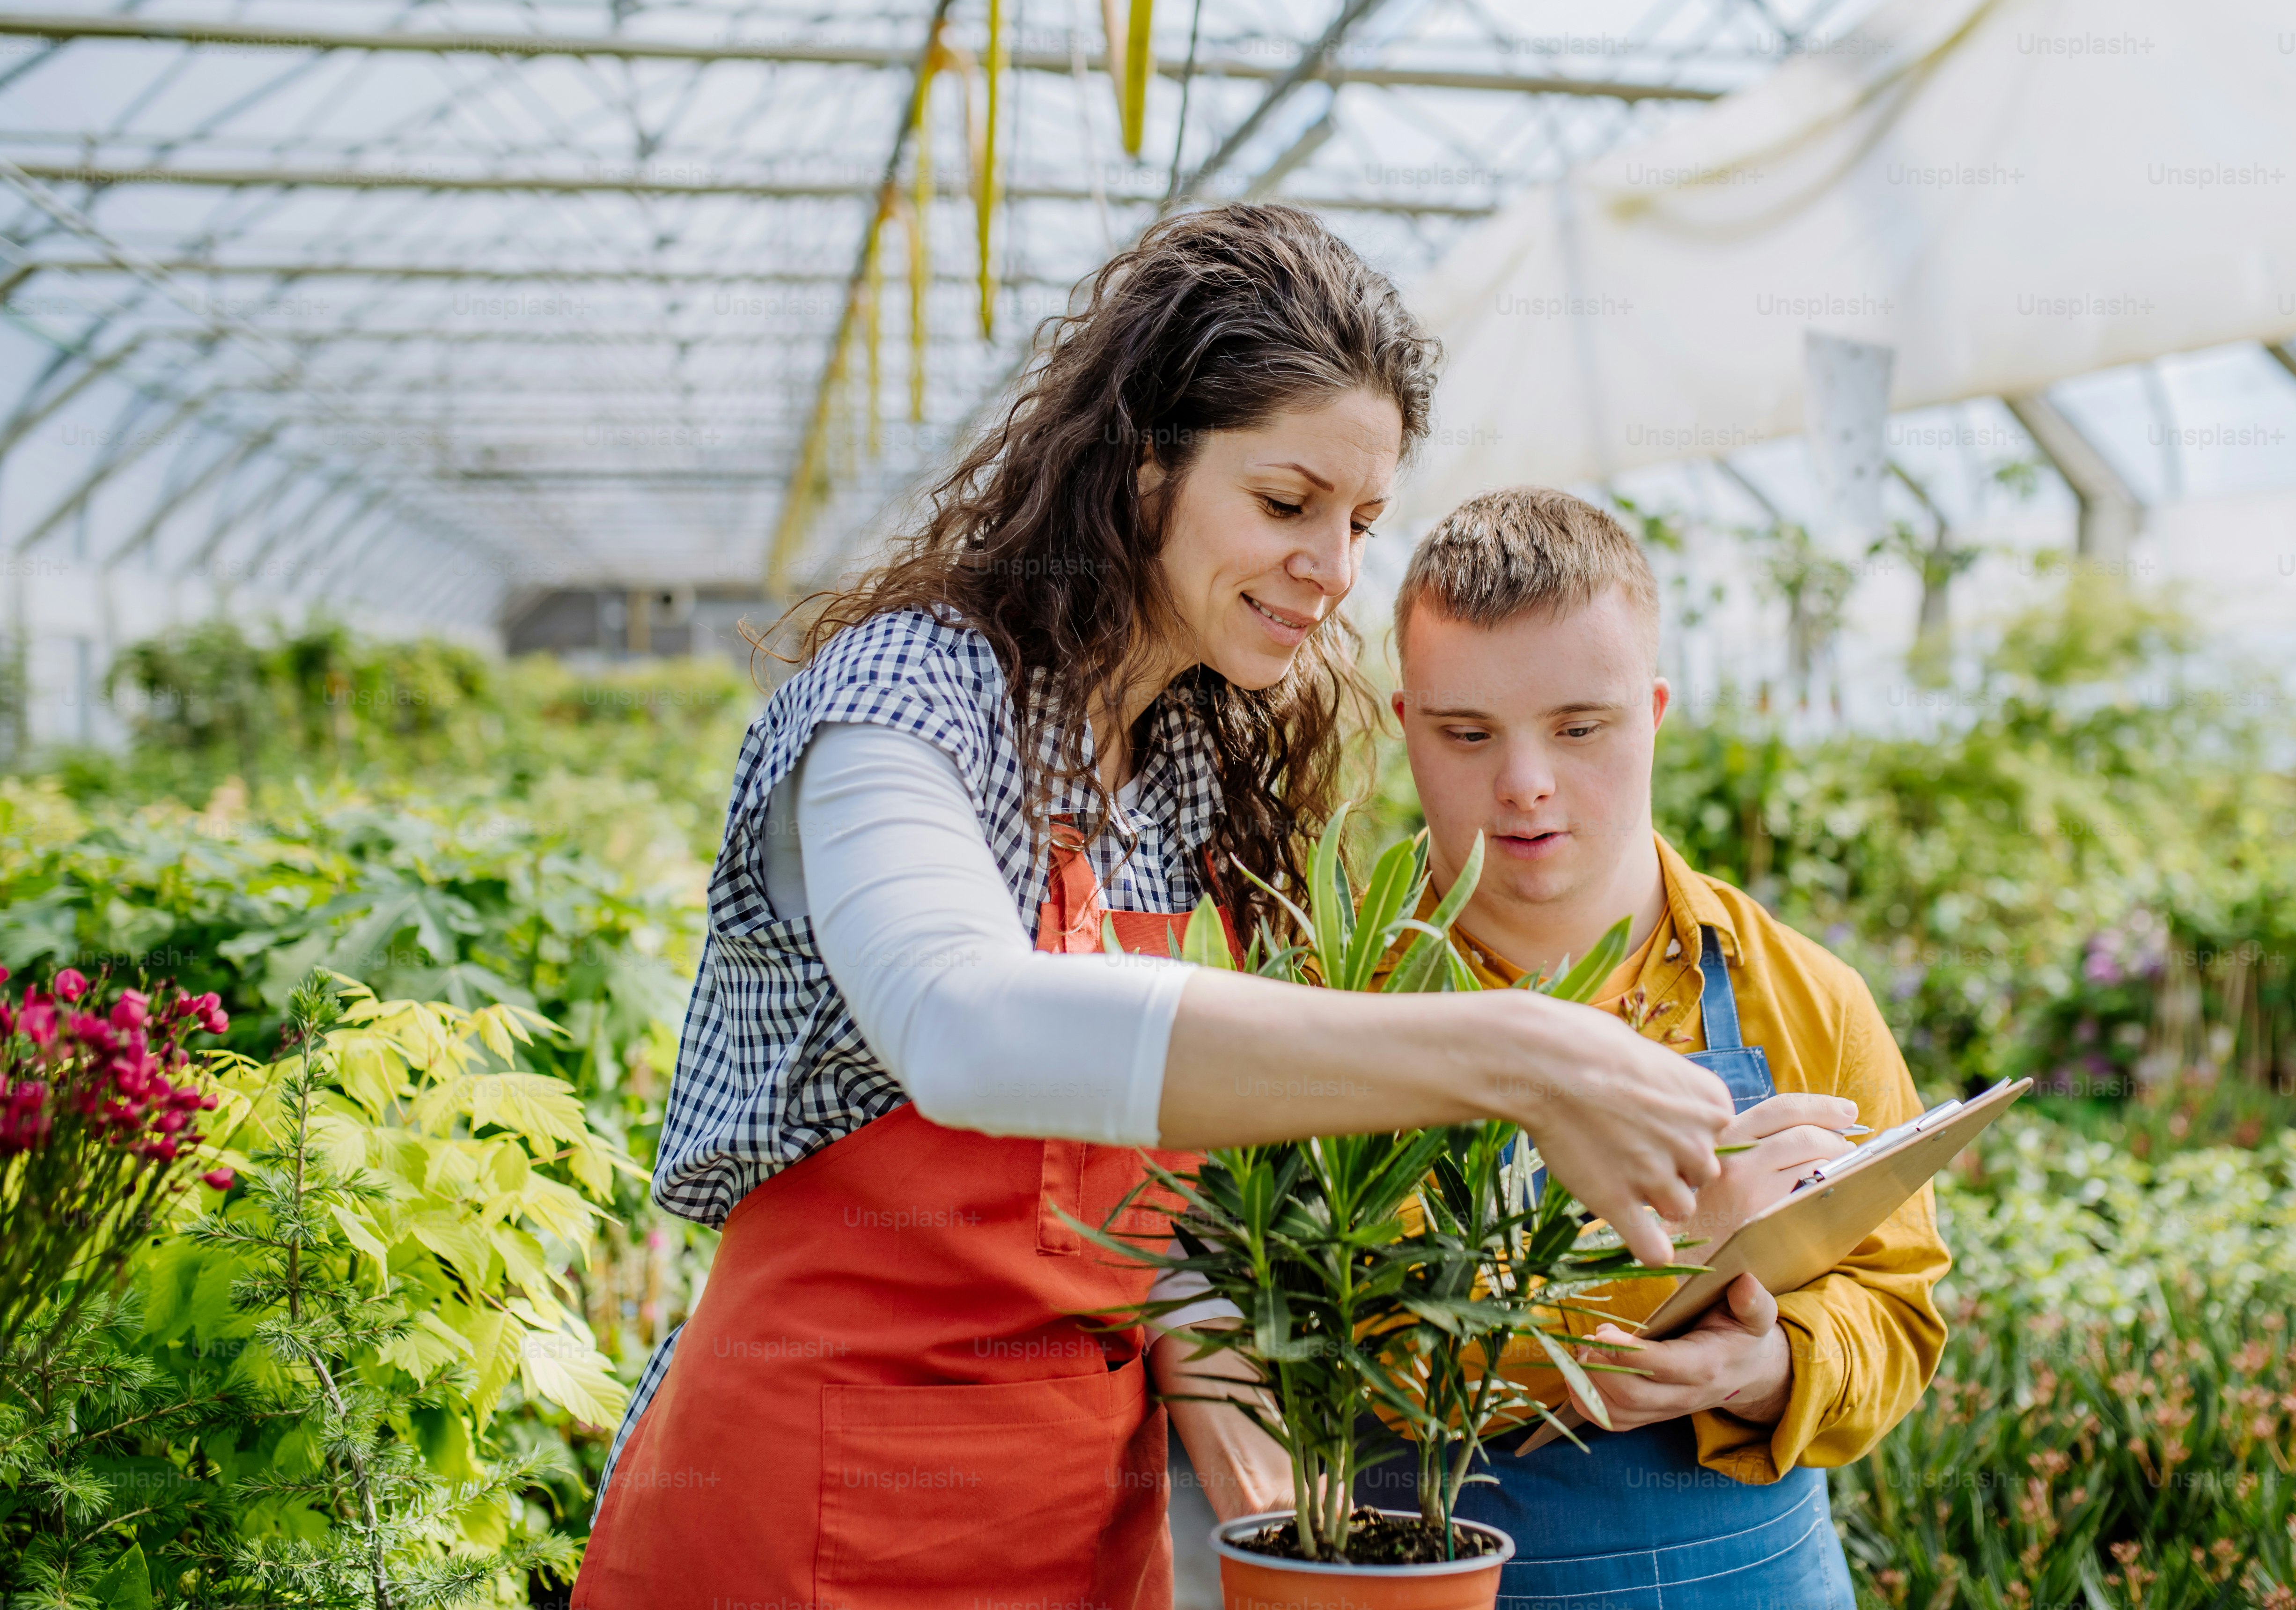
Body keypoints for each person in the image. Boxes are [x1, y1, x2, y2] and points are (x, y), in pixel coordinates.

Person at [568, 212, 1738, 1610]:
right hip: (827, 1499)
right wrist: (1516, 1055)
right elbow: (966, 1028)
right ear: (1140, 472)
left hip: (1082, 1518)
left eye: (1361, 522)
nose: (1334, 568)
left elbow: (1141, 1207)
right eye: (1288, 503)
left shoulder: (1190, 762)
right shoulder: (905, 700)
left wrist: (1262, 1493)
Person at [1322, 487, 1946, 1605]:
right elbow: (1350, 1329)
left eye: (1579, 727)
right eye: (1468, 734)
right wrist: (1673, 1244)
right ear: (1405, 722)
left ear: (1654, 709)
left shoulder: (1806, 996)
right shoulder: (1330, 1001)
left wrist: (1775, 1366)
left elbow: (1899, 1305)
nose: (1525, 786)